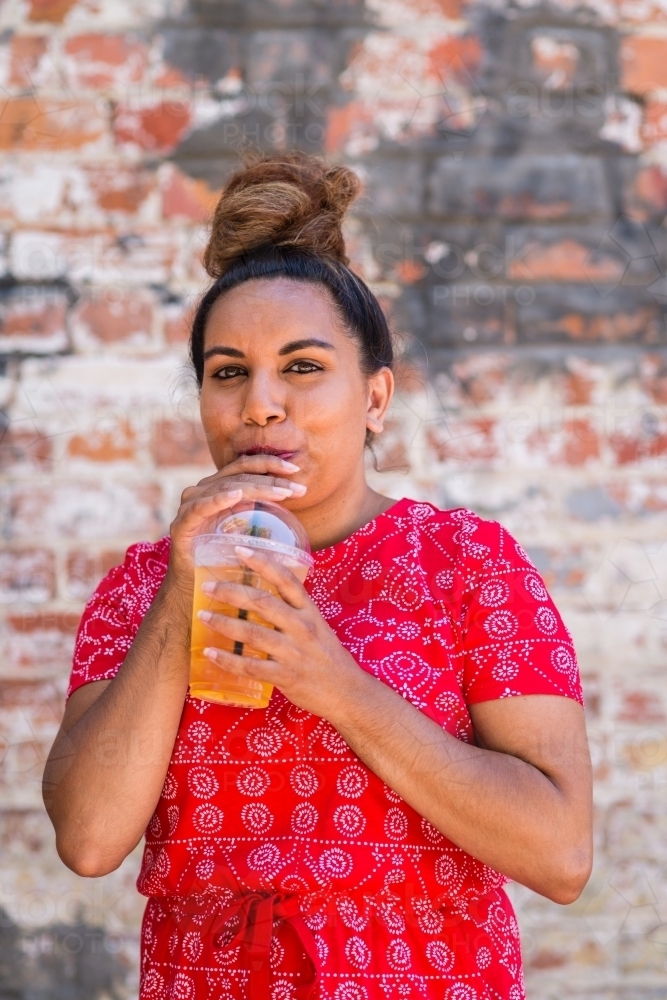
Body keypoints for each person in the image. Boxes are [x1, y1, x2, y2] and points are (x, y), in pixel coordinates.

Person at [43, 152, 593, 1000]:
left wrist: (331, 681)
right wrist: (183, 587)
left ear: (374, 397)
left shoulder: (463, 564)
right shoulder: (142, 587)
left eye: (302, 367)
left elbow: (559, 854)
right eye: (228, 373)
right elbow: (87, 838)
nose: (261, 403)